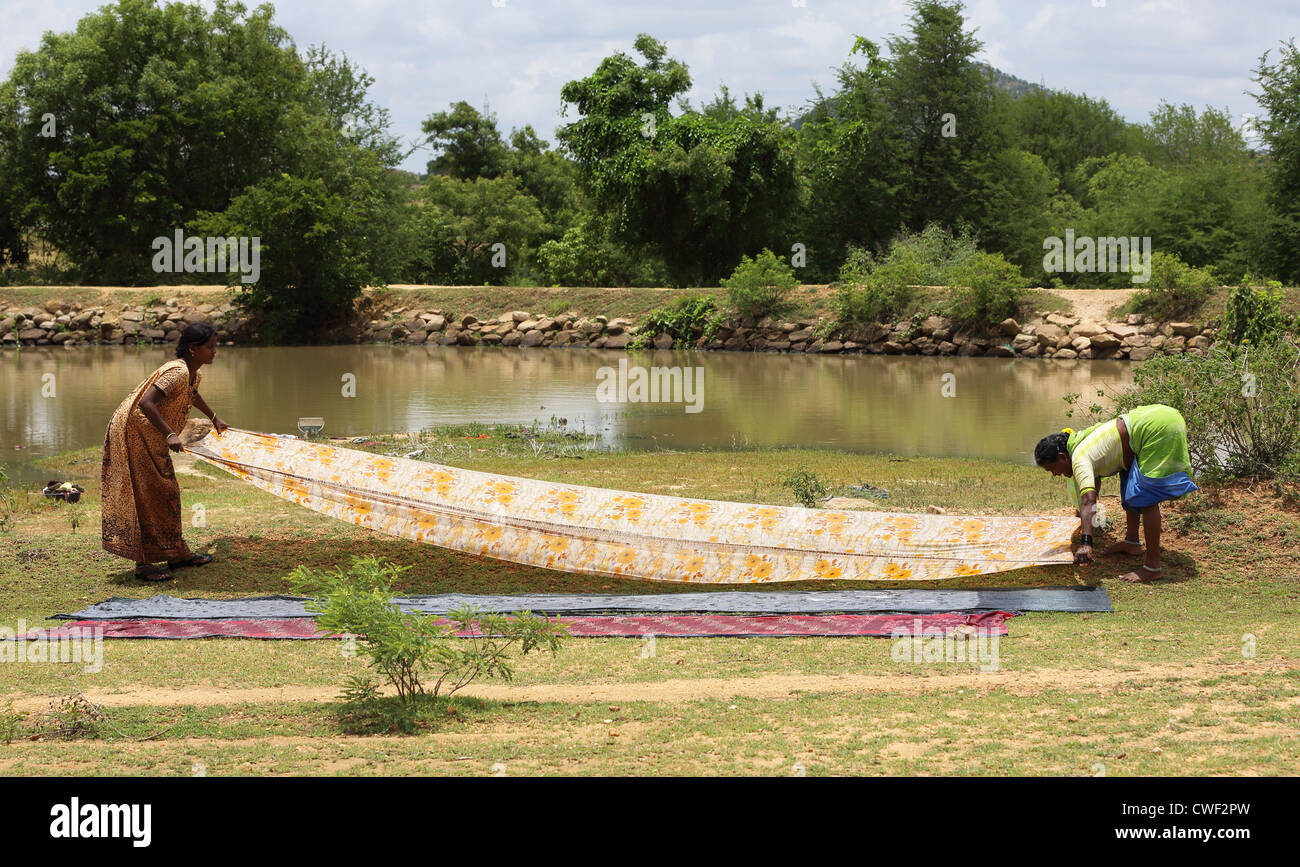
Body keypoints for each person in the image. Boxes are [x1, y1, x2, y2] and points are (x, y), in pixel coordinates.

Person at [101, 323, 230, 581]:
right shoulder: (177, 372)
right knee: (148, 493)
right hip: (134, 431)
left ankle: (176, 553)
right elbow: (146, 403)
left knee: (167, 490)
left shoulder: (192, 374)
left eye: (215, 347)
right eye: (209, 347)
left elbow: (192, 395)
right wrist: (170, 433)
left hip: (151, 434)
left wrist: (214, 417)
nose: (214, 352)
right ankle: (144, 565)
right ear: (193, 349)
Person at [1034, 404, 1198, 583]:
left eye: (1052, 469)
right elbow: (1092, 490)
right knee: (1131, 489)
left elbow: (1089, 500)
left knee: (1147, 497)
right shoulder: (1081, 442)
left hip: (1156, 427)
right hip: (1154, 420)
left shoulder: (1079, 458)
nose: (1055, 474)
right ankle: (1132, 542)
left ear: (1063, 457)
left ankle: (1153, 567)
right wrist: (1084, 520)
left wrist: (1087, 543)